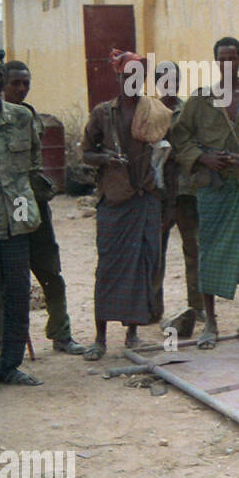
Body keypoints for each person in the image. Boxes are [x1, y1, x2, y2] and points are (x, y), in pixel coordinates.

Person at [170, 36, 239, 348]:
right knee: (209, 254)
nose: (228, 63)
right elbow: (180, 137)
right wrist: (203, 157)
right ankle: (212, 324)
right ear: (216, 62)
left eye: (233, 58)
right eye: (222, 59)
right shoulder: (202, 99)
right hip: (212, 189)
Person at [0, 60, 87, 355]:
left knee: (50, 272)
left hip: (32, 206)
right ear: (1, 85)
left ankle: (61, 333)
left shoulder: (29, 117)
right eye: (14, 83)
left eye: (25, 83)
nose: (21, 89)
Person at [80, 49, 172, 360]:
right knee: (109, 268)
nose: (132, 81)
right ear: (118, 78)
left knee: (142, 266)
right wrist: (106, 157)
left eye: (138, 76)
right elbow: (86, 153)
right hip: (115, 201)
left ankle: (132, 334)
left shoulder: (153, 111)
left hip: (145, 200)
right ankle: (100, 337)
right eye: (127, 76)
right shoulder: (103, 114)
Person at [0, 49, 43, 391]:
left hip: (17, 217)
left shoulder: (22, 118)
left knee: (17, 292)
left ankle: (11, 365)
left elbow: (32, 164)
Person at [150, 60, 204, 325]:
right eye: (164, 79)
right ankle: (152, 306)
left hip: (187, 193)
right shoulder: (149, 111)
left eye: (174, 78)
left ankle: (198, 305)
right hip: (158, 194)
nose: (169, 84)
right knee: (156, 251)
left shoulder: (190, 111)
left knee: (193, 249)